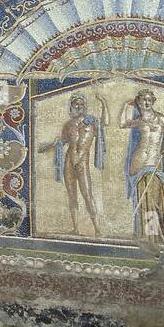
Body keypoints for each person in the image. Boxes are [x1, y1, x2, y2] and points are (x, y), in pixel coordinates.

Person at [119, 88, 164, 245]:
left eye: (150, 99)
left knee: (154, 199)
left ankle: (155, 235)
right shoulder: (139, 122)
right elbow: (122, 124)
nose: (147, 102)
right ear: (138, 102)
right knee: (143, 200)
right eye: (143, 100)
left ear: (153, 101)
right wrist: (125, 105)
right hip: (138, 163)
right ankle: (149, 235)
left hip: (154, 163)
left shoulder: (161, 119)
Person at [38, 91, 108, 236]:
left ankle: (97, 229)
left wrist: (103, 103)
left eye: (81, 104)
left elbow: (105, 123)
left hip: (82, 162)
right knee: (72, 195)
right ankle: (76, 228)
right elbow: (62, 142)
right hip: (68, 162)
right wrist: (48, 146)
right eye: (75, 104)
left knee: (87, 194)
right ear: (72, 106)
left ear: (84, 106)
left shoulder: (92, 122)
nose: (78, 106)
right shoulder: (68, 125)